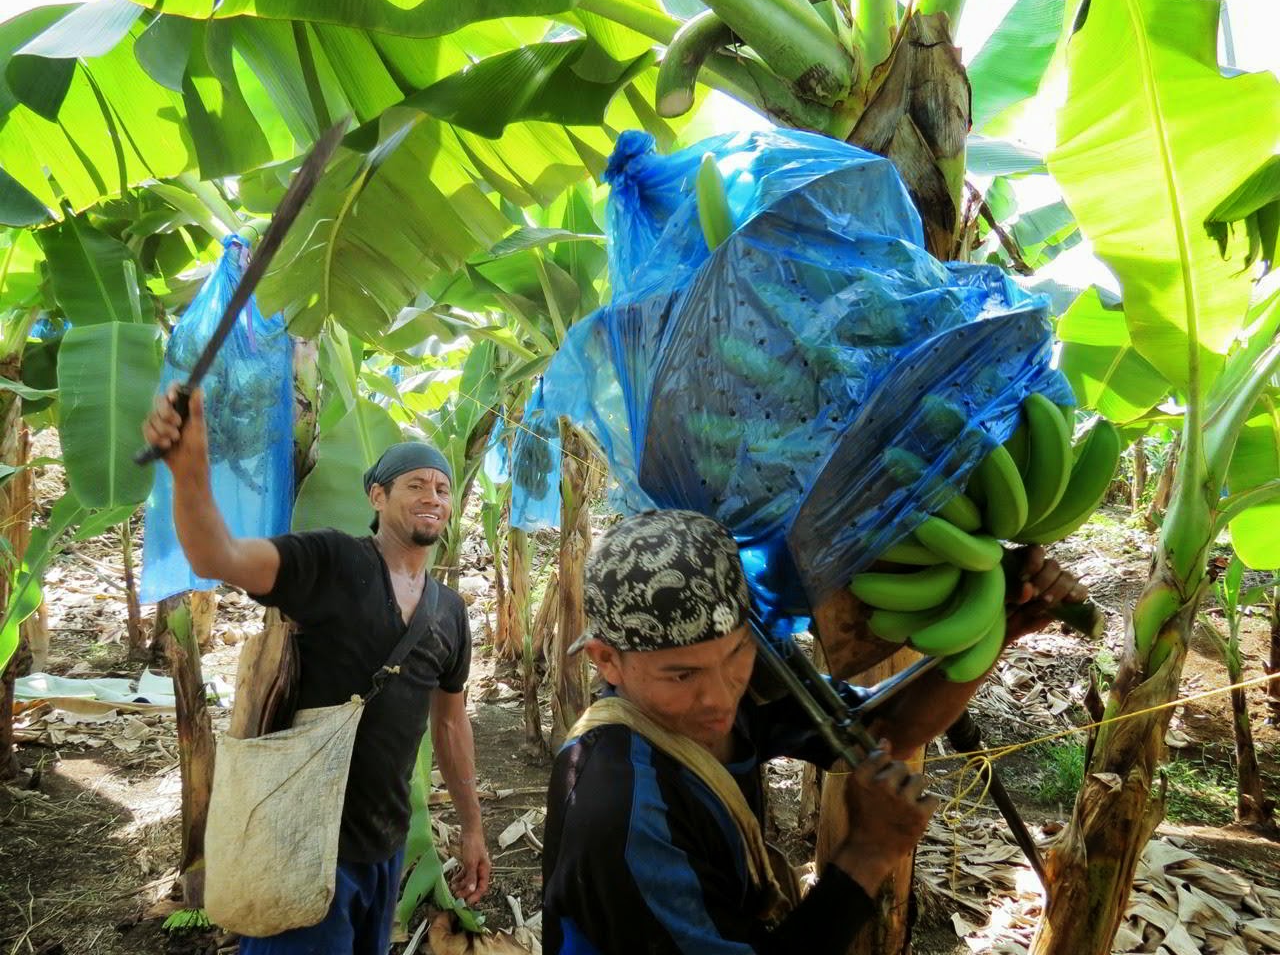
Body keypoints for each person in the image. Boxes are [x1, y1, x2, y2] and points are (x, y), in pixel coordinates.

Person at [542, 509, 1085, 955]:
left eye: (734, 656)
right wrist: (870, 851)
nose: (718, 697)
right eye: (681, 675)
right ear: (606, 660)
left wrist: (998, 629)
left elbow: (882, 728)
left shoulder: (751, 682)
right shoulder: (622, 809)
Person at [143, 386, 490, 954]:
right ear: (376, 495)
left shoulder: (448, 611)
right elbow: (218, 557)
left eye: (442, 487)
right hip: (301, 836)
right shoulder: (331, 560)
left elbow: (451, 726)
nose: (433, 495)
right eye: (415, 484)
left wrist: (473, 829)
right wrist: (188, 470)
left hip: (384, 844)